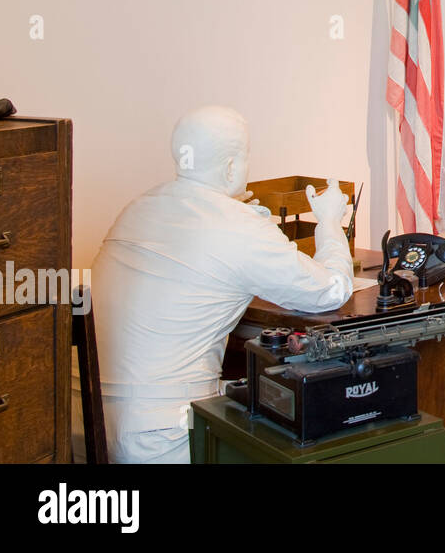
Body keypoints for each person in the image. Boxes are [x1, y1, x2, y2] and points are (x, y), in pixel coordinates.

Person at [92, 105, 354, 463]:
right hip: (165, 436)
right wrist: (329, 224)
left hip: (91, 421)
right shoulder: (238, 227)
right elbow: (331, 291)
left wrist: (241, 216)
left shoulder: (137, 207)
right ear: (232, 166)